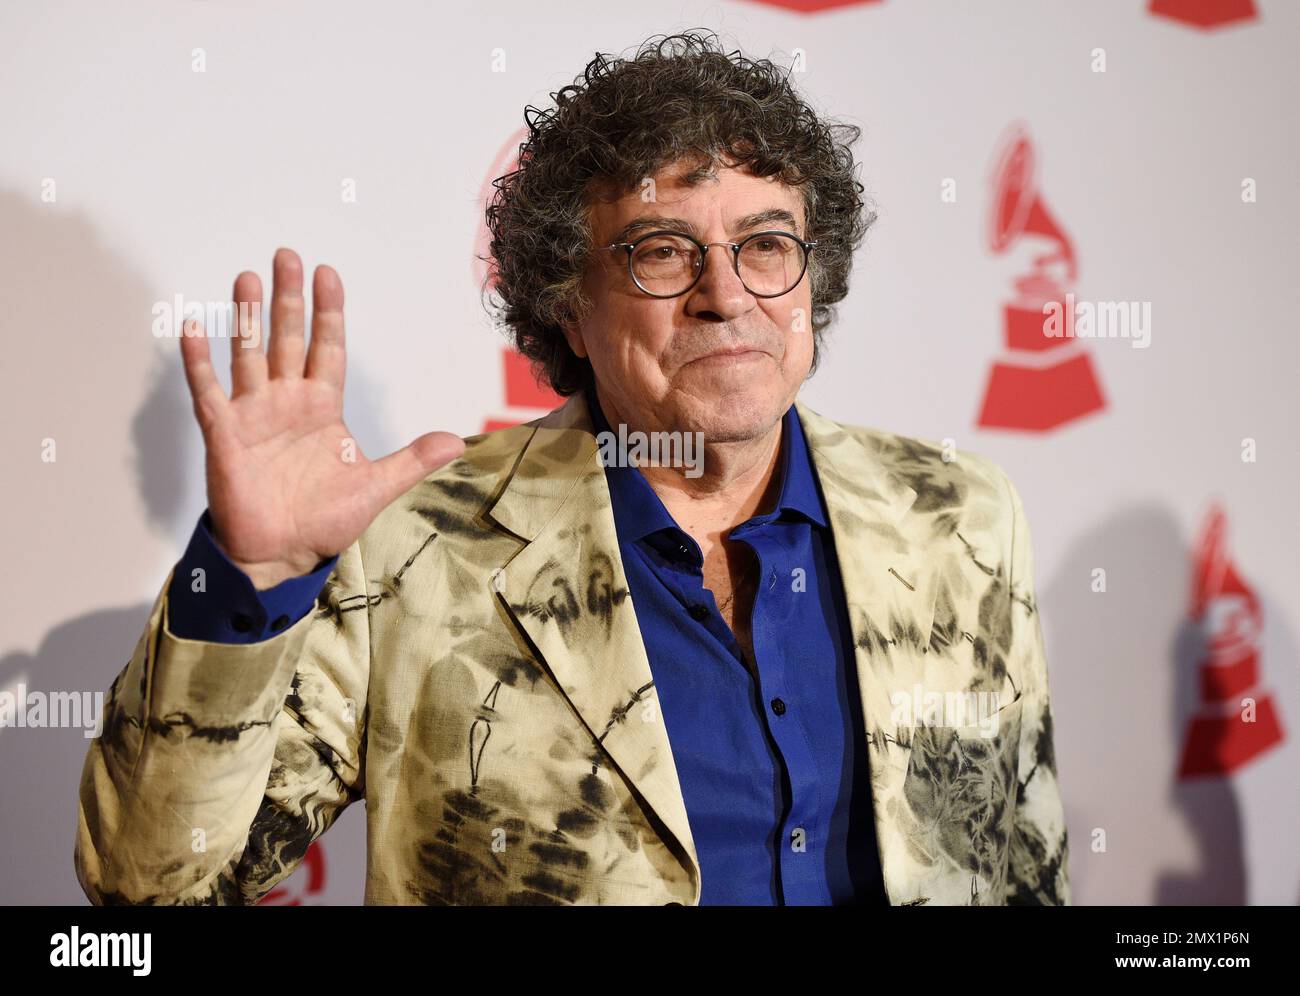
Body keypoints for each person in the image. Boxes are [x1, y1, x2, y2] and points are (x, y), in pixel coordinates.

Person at [74, 30, 1069, 906]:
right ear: (568, 307)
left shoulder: (956, 518)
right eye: (662, 253)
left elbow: (1022, 868)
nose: (726, 296)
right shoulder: (420, 549)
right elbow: (150, 883)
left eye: (766, 244)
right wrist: (247, 578)